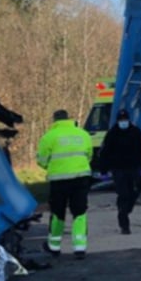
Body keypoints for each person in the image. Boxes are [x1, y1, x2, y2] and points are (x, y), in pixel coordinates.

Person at [36, 109, 93, 259]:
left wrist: (52, 166)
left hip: (59, 180)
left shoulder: (49, 137)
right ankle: (80, 248)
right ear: (68, 118)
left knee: (57, 212)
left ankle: (54, 247)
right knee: (80, 212)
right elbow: (89, 155)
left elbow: (42, 159)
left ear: (54, 120)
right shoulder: (83, 134)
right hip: (81, 178)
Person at [93, 108, 141, 234]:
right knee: (123, 194)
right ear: (118, 121)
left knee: (134, 193)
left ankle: (126, 209)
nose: (123, 122)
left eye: (125, 119)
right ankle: (124, 223)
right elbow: (105, 153)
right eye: (121, 120)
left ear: (128, 120)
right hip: (118, 169)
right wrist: (103, 171)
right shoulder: (112, 134)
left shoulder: (135, 132)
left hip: (134, 168)